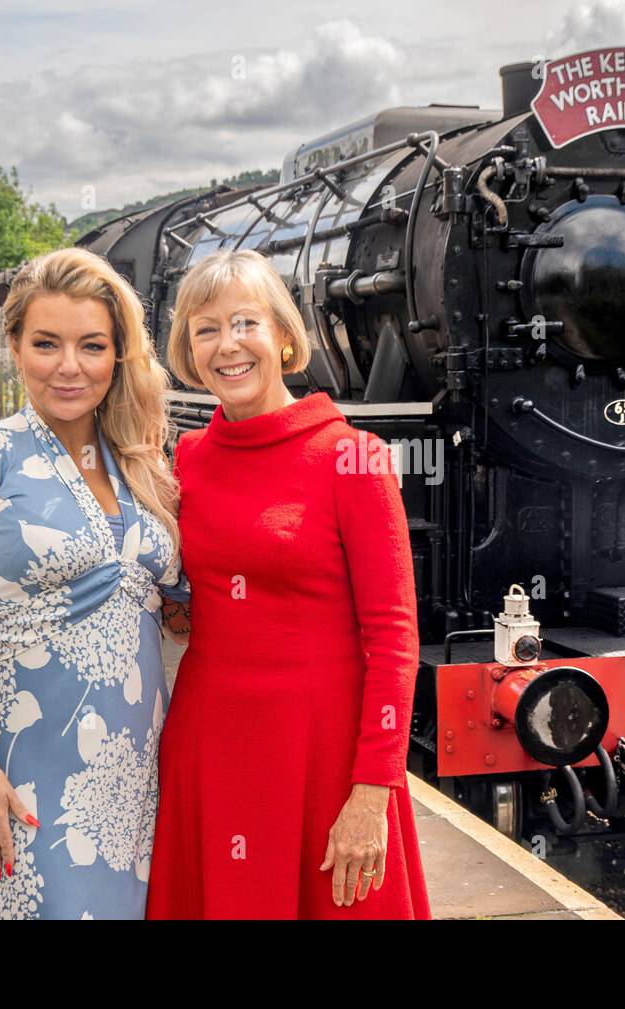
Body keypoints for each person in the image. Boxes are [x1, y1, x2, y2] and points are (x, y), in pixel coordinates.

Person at [145, 248, 431, 919]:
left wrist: (372, 791)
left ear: (282, 332)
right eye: (205, 329)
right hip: (212, 746)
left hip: (323, 755)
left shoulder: (351, 457)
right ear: (188, 348)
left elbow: (394, 638)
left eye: (245, 322)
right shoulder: (187, 460)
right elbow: (175, 597)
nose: (228, 345)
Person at [0, 247, 185, 919]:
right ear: (13, 345)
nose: (69, 366)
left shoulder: (140, 465)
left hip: (137, 775)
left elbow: (177, 608)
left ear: (118, 353)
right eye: (46, 343)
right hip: (27, 766)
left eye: (92, 345)